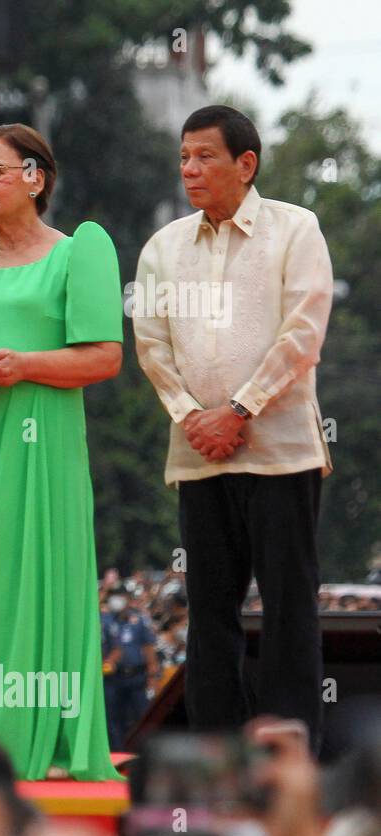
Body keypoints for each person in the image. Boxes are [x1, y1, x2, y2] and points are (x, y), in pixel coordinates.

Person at [0, 123, 123, 780]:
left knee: (40, 574)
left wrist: (27, 364)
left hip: (42, 437)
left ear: (35, 177)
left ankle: (47, 741)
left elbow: (105, 356)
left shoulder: (79, 252)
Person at [132, 105, 333, 751]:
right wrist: (192, 417)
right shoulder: (163, 246)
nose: (189, 169)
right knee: (209, 615)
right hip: (200, 456)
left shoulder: (296, 230)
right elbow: (150, 342)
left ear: (246, 164)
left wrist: (240, 409)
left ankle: (288, 754)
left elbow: (303, 333)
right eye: (183, 157)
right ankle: (216, 758)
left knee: (289, 609)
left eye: (204, 156)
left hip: (282, 454)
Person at [101, 585, 159, 751]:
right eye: (113, 597)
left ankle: (145, 755)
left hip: (137, 676)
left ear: (127, 599)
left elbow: (149, 648)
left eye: (119, 596)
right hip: (113, 677)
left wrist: (153, 675)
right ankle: (119, 755)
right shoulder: (105, 620)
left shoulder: (138, 620)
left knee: (142, 717)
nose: (116, 600)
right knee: (113, 719)